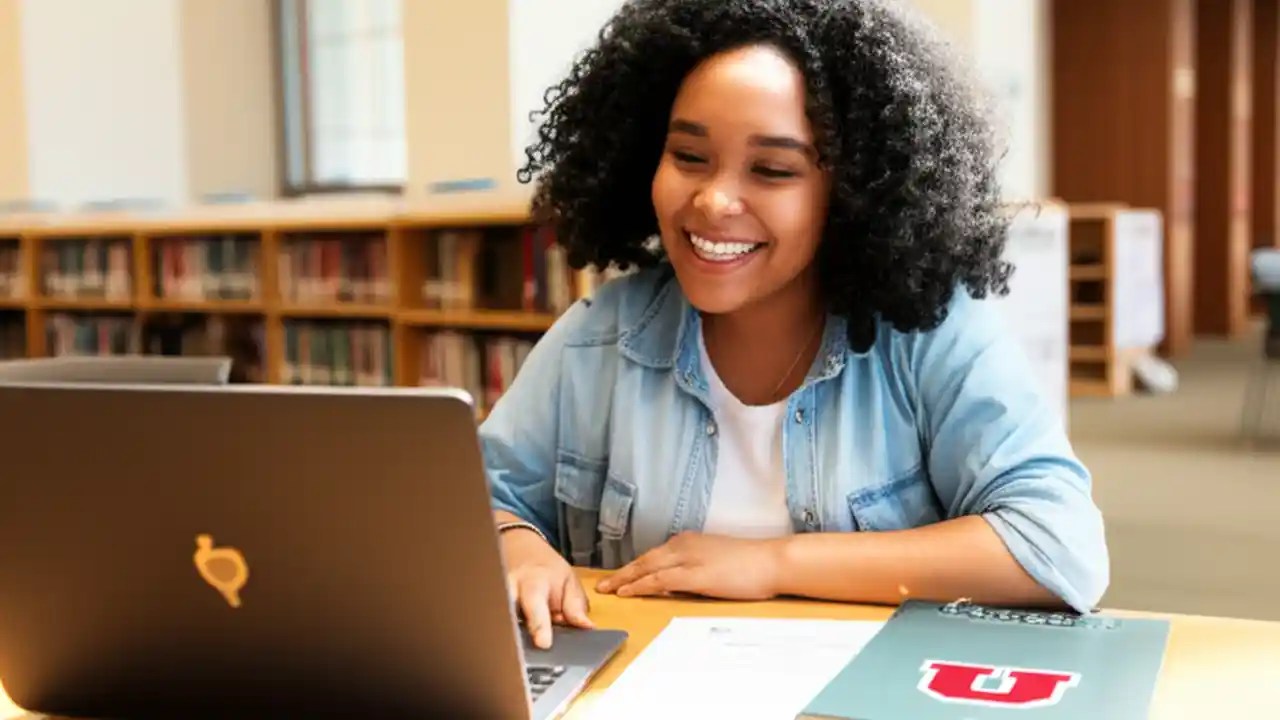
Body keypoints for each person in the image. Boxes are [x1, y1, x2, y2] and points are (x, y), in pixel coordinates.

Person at [484, 0, 1110, 649]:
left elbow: (1058, 545)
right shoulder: (597, 341)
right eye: (689, 156)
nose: (713, 200)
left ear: (851, 191)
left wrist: (771, 563)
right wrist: (520, 551)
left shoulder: (930, 336)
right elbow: (471, 501)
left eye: (773, 170)